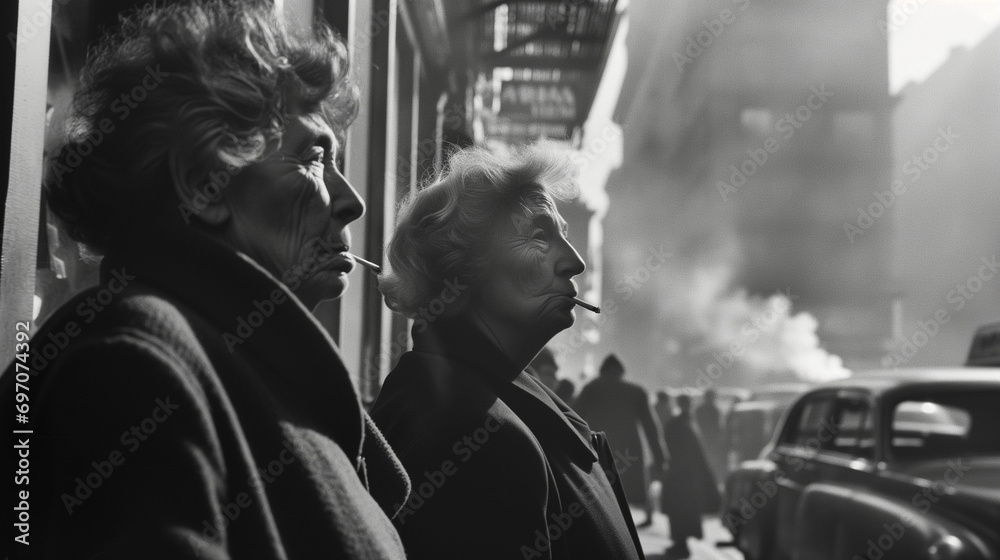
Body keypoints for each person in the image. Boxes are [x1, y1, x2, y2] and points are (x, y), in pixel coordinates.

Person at [0, 2, 408, 557]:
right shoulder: (135, 364)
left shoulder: (236, 361)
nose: (352, 202)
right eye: (314, 158)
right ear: (204, 185)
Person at [370, 145, 645, 560]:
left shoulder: (487, 401)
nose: (574, 263)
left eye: (564, 236)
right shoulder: (472, 437)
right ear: (460, 270)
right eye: (539, 235)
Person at [574, 354, 667, 528]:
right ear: (621, 372)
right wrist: (660, 456)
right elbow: (651, 427)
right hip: (628, 452)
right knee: (625, 495)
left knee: (601, 495)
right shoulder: (636, 391)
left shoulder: (591, 388)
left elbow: (573, 418)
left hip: (599, 450)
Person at [660, 394, 721, 559]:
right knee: (681, 509)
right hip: (684, 473)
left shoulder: (682, 423)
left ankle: (680, 543)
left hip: (682, 473)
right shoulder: (683, 423)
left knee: (681, 509)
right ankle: (680, 543)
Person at [695, 388, 726, 481]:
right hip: (711, 440)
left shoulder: (699, 410)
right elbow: (719, 427)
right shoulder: (714, 410)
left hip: (704, 440)